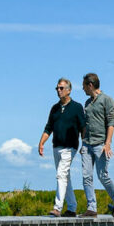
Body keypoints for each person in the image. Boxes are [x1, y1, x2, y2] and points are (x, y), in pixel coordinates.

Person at [38, 78, 86, 217]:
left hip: (70, 147)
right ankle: (72, 208)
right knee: (65, 177)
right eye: (57, 88)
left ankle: (57, 207)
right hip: (56, 147)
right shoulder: (54, 108)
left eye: (61, 88)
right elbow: (48, 127)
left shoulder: (77, 107)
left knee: (61, 175)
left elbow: (83, 127)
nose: (58, 91)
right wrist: (41, 143)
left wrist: (84, 144)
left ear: (69, 90)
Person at [79, 73, 114, 217]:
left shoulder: (107, 100)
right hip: (87, 144)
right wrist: (82, 142)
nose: (83, 89)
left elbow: (111, 123)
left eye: (84, 86)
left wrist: (108, 144)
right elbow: (86, 124)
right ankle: (92, 208)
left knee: (102, 175)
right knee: (86, 176)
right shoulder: (87, 103)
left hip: (100, 144)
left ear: (90, 85)